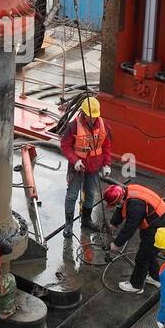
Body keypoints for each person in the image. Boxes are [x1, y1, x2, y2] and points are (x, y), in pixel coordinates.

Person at [103, 182, 165, 294]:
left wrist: (116, 244)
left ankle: (136, 285)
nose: (117, 205)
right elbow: (120, 208)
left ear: (120, 198)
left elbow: (129, 228)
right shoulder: (126, 193)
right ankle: (156, 278)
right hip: (156, 221)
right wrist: (113, 223)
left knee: (142, 257)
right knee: (149, 254)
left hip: (159, 228)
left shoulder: (135, 205)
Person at [59, 96, 112, 236]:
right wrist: (75, 161)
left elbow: (106, 146)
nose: (93, 119)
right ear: (83, 113)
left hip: (93, 167)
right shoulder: (73, 126)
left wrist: (106, 164)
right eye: (90, 116)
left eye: (94, 116)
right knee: (72, 195)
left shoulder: (103, 125)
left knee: (90, 194)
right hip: (77, 167)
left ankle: (86, 220)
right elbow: (65, 145)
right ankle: (68, 224)